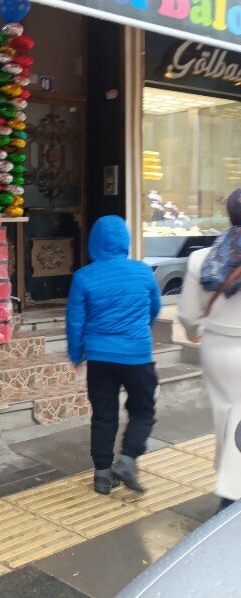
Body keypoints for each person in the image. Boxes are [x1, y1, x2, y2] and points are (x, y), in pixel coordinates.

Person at [67, 215, 162, 495]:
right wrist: (140, 334)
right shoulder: (143, 272)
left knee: (104, 415)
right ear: (125, 241)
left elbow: (75, 321)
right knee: (143, 411)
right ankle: (128, 460)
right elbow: (154, 309)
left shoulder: (84, 276)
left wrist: (76, 354)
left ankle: (101, 475)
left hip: (100, 358)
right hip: (138, 356)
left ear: (93, 242)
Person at [179, 188, 241, 512]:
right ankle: (232, 494)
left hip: (219, 348)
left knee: (228, 416)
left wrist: (193, 333)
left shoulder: (202, 258)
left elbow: (188, 315)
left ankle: (231, 494)